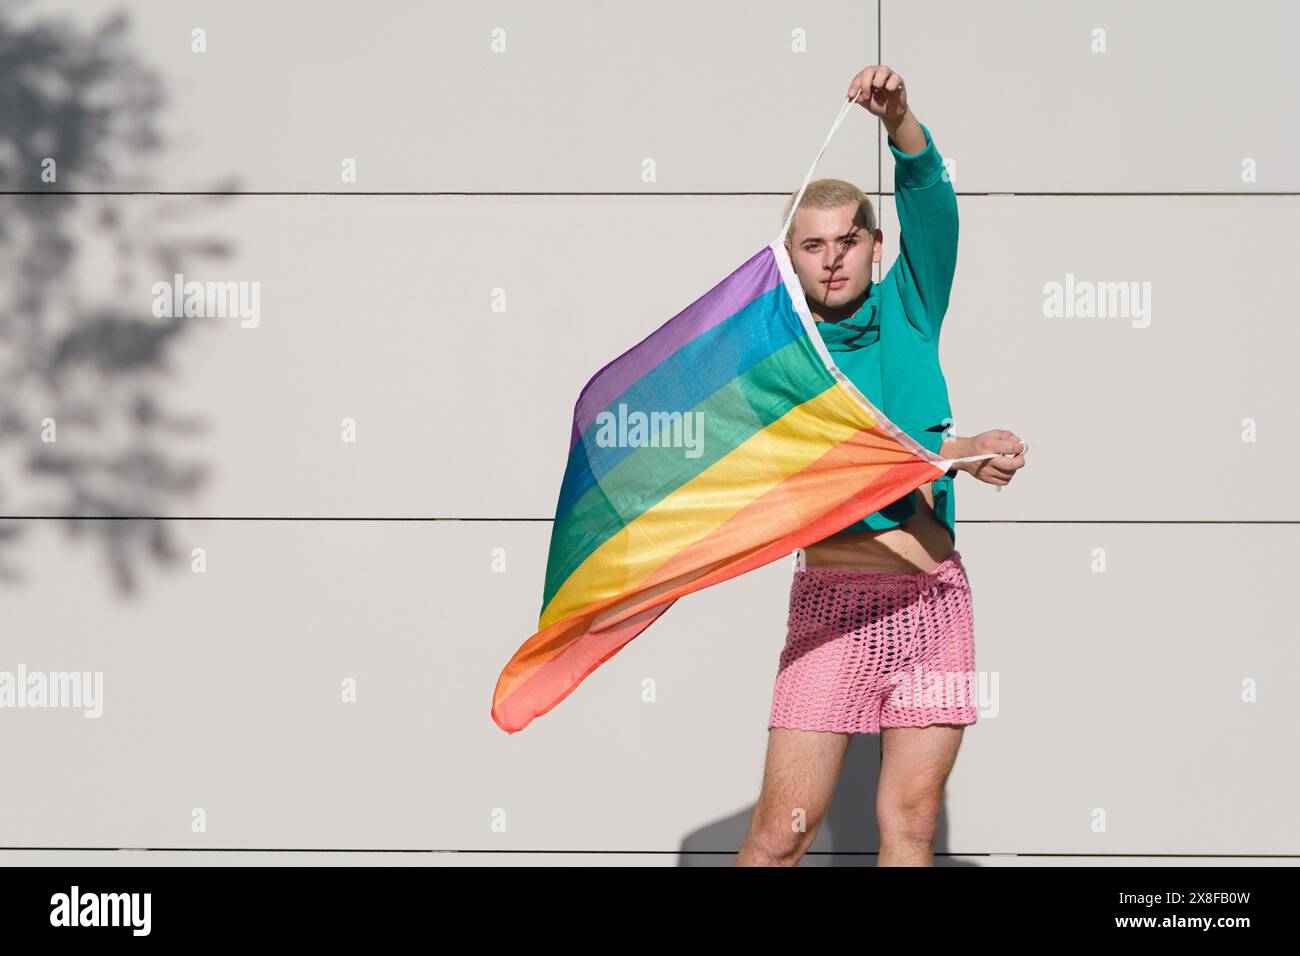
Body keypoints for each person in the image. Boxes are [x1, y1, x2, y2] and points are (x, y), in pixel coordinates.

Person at [735, 66, 1026, 867]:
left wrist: (899, 120)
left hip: (934, 607)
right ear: (790, 258)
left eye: (848, 240)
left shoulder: (910, 306)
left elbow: (932, 200)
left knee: (912, 825)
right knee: (777, 837)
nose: (832, 259)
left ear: (875, 244)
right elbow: (818, 479)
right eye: (812, 244)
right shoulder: (780, 360)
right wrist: (956, 453)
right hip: (832, 608)